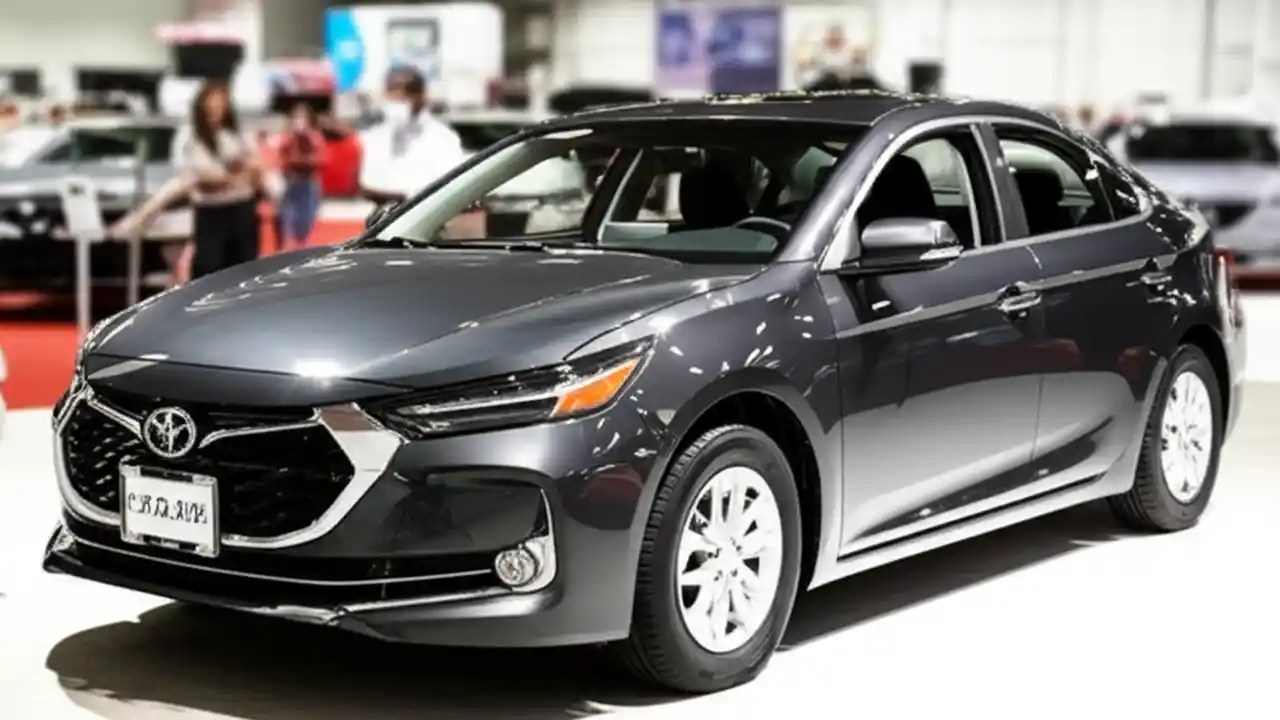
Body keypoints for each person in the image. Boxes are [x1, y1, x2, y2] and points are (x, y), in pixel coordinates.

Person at [172, 80, 262, 280]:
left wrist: (237, 174)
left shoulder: (238, 134)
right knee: (209, 267)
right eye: (212, 103)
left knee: (244, 269)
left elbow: (255, 168)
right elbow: (204, 178)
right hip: (211, 212)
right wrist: (234, 175)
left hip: (242, 209)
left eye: (221, 103)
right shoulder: (190, 136)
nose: (217, 108)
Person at [358, 65, 465, 208]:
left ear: (423, 96)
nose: (401, 96)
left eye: (410, 90)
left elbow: (448, 186)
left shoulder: (443, 139)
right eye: (394, 89)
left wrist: (403, 197)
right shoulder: (369, 137)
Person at [276, 102, 326, 252]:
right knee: (288, 218)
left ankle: (302, 245)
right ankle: (287, 247)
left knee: (306, 219)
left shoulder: (315, 136)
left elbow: (322, 158)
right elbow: (280, 158)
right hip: (291, 182)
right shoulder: (286, 137)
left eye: (304, 116)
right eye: (297, 116)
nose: (300, 120)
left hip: (309, 182)